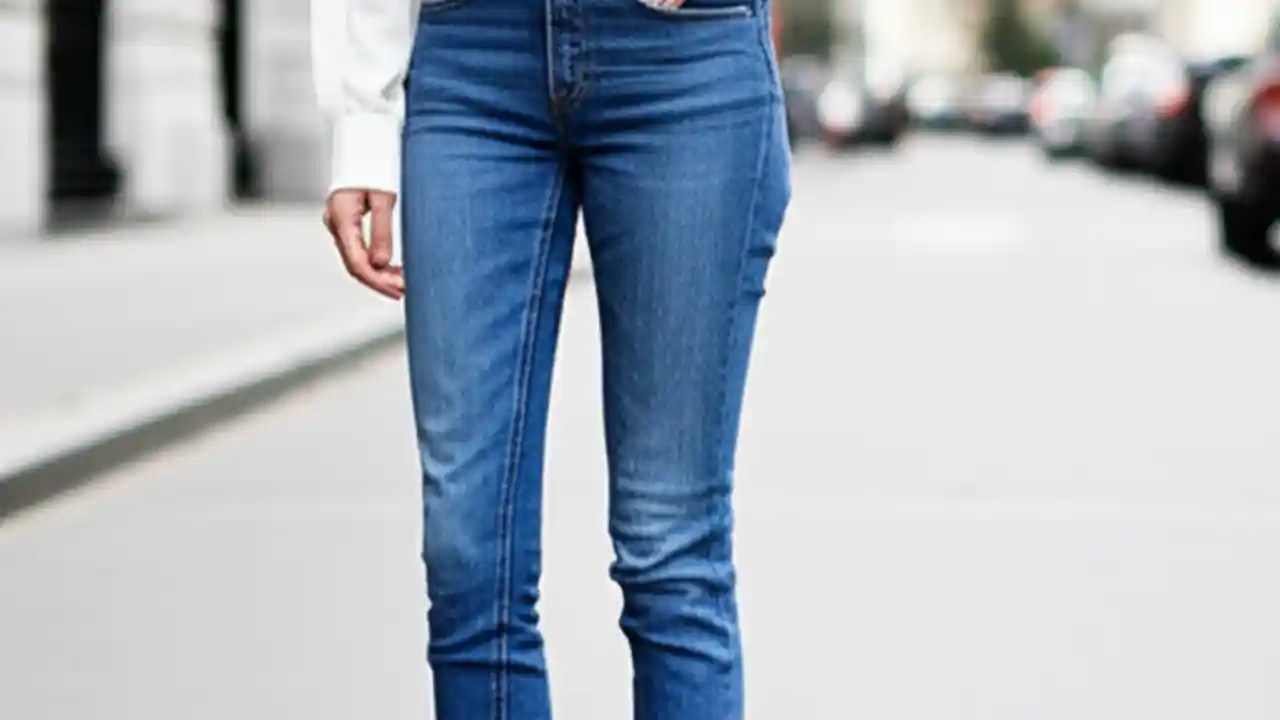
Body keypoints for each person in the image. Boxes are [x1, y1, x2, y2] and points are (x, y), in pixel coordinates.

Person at [312, 0, 789, 715]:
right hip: (472, 60)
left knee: (671, 553)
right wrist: (362, 115)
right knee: (469, 560)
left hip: (684, 59)